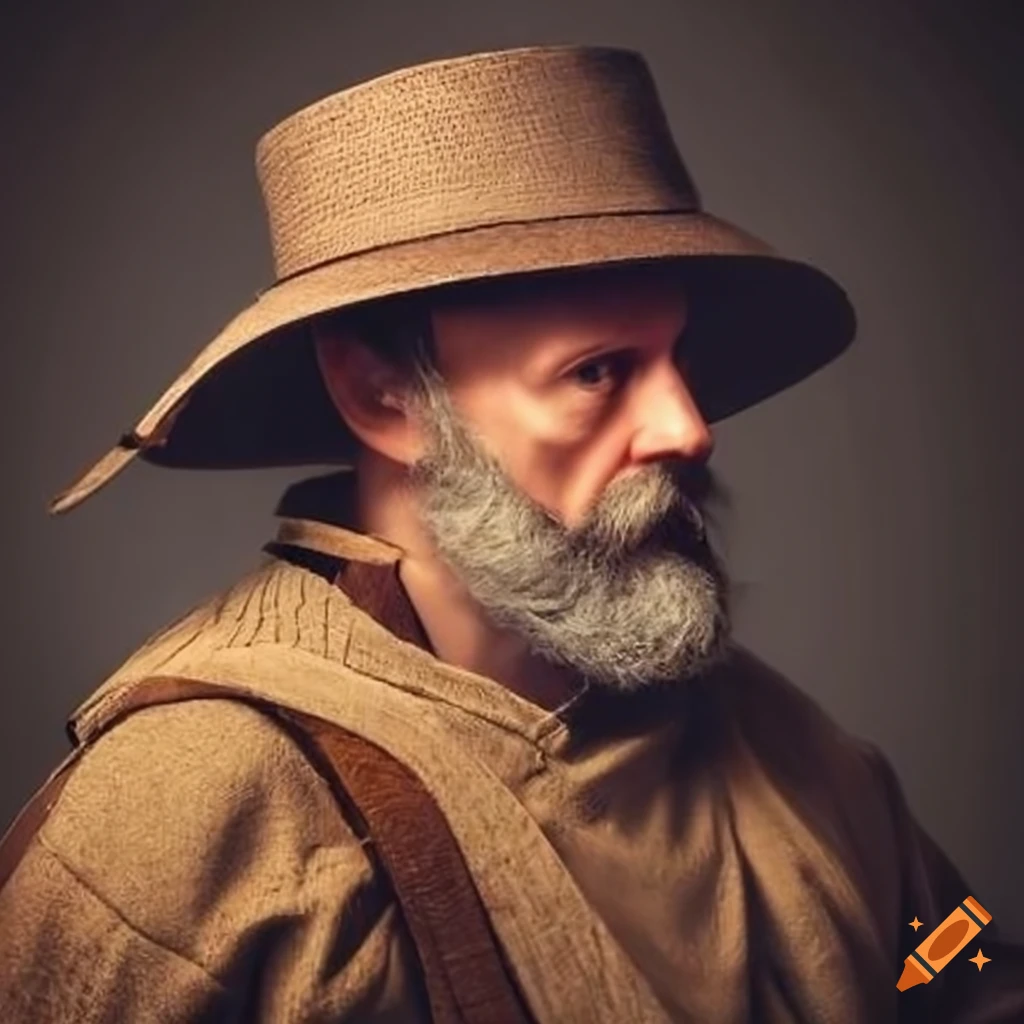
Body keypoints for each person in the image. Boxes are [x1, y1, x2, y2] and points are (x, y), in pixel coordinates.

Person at [0, 44, 1021, 1023]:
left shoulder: (791, 744)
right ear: (384, 395)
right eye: (597, 371)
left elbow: (952, 964)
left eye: (677, 357)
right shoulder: (186, 801)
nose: (688, 427)